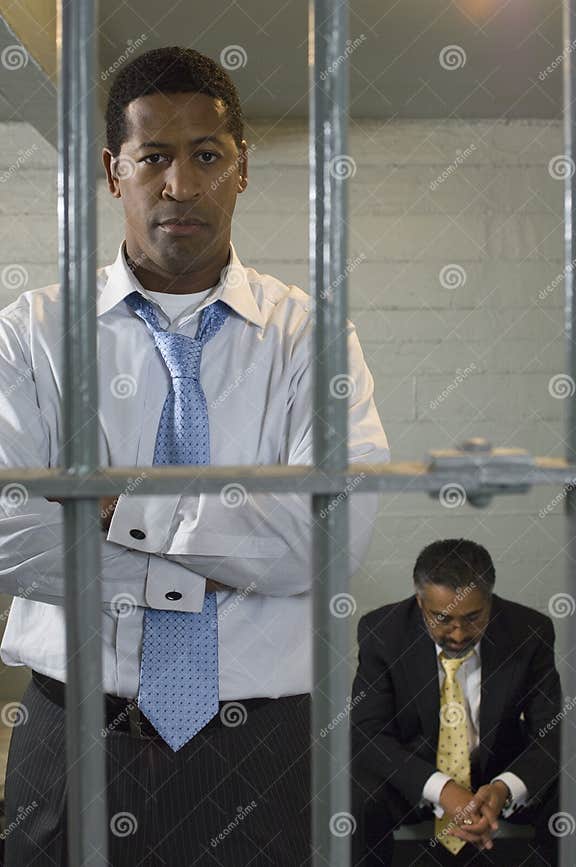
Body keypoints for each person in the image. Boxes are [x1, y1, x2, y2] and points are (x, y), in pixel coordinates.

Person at [0, 46, 389, 866]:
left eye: (206, 155)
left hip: (265, 744)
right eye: (154, 158)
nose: (181, 185)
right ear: (114, 172)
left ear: (239, 168)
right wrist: (208, 561)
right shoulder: (30, 334)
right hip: (71, 739)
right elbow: (9, 535)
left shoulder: (313, 338)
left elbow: (331, 537)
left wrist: (115, 508)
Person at [350, 538, 561, 867]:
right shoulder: (382, 631)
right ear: (421, 603)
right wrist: (444, 790)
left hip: (498, 770)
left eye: (474, 617)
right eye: (442, 619)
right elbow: (367, 733)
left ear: (490, 601)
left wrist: (505, 788)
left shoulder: (529, 631)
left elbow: (553, 732)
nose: (459, 634)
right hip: (416, 771)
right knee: (355, 796)